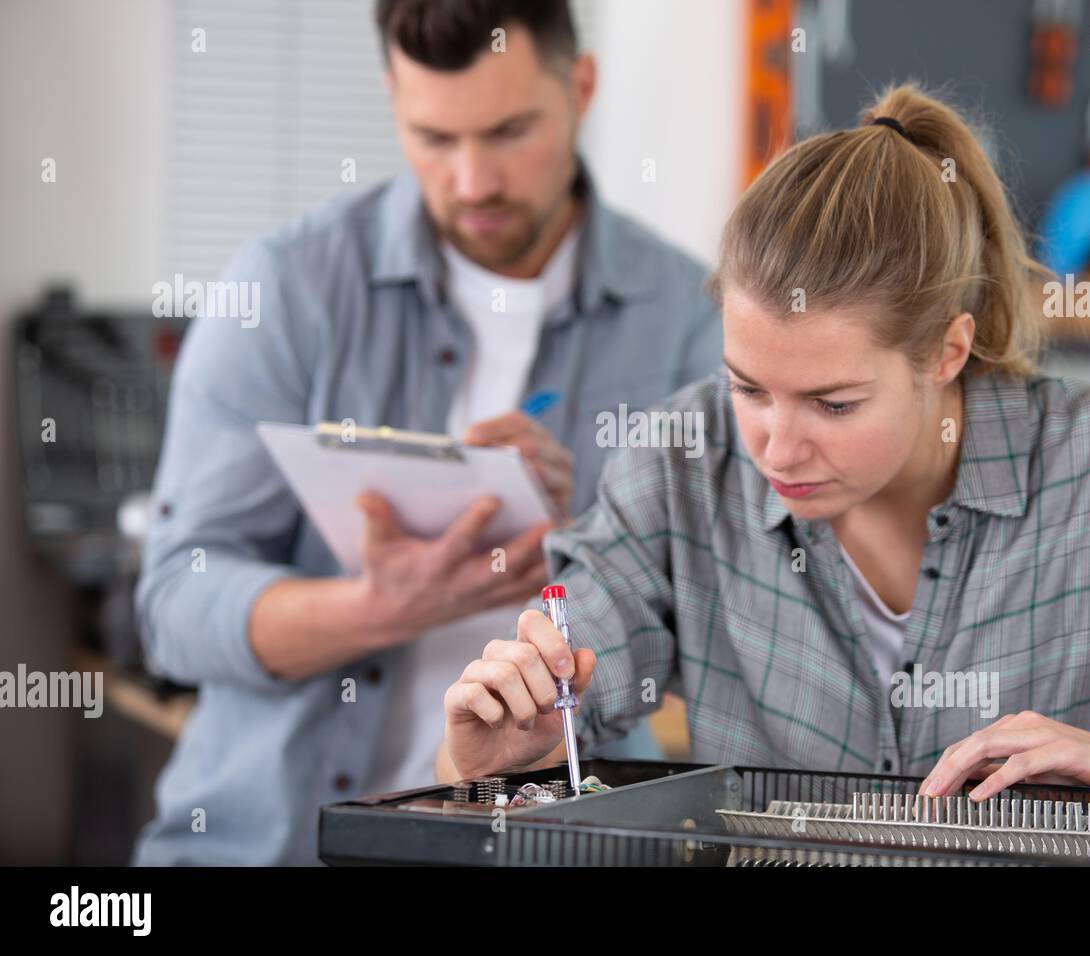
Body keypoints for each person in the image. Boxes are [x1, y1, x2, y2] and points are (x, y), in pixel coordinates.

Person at [438, 83, 1090, 801]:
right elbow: (547, 710)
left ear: (945, 352)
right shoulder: (684, 464)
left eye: (833, 403)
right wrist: (487, 763)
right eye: (749, 388)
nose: (775, 449)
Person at [133, 0, 720, 865]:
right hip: (267, 842)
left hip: (550, 844)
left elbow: (725, 623)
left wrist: (587, 552)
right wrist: (377, 608)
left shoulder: (687, 321)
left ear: (581, 87)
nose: (474, 180)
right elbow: (173, 608)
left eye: (510, 130)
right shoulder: (285, 289)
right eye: (434, 139)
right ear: (392, 100)